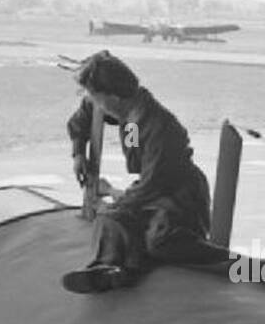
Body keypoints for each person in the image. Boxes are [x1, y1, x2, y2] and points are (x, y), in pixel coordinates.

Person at [62, 51, 231, 293]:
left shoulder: (160, 128)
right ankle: (108, 269)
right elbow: (84, 117)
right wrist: (78, 153)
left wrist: (115, 199)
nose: (93, 102)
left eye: (96, 97)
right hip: (151, 185)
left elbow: (152, 184)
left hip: (178, 192)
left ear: (113, 97)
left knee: (160, 240)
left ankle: (249, 267)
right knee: (112, 220)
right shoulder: (123, 111)